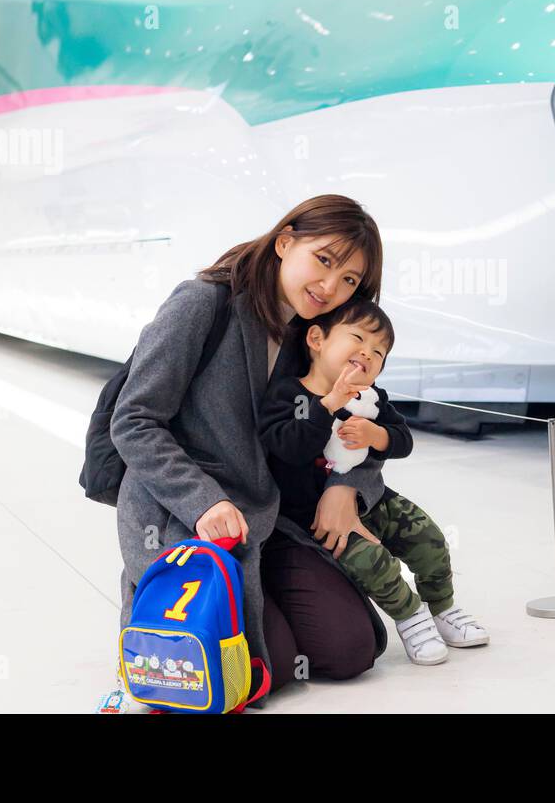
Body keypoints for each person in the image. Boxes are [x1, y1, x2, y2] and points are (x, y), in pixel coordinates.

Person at [100, 195, 392, 710]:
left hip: (271, 517)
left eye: (349, 280)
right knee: (254, 673)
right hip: (186, 518)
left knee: (351, 650)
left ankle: (255, 601)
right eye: (324, 260)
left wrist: (347, 486)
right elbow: (135, 420)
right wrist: (202, 501)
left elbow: (364, 415)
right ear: (285, 242)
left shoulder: (321, 333)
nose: (330, 287)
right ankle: (202, 611)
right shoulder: (202, 304)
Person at [258, 298, 490, 666]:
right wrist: (328, 404)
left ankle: (442, 607)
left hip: (373, 501)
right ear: (316, 339)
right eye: (358, 339)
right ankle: (410, 617)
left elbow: (403, 439)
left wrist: (376, 435)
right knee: (372, 562)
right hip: (314, 520)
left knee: (429, 539)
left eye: (379, 352)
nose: (368, 354)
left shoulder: (372, 398)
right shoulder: (289, 394)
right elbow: (288, 448)